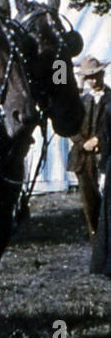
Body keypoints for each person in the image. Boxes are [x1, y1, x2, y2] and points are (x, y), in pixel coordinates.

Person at [70, 56, 108, 236]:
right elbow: (70, 126)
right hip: (83, 159)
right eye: (88, 77)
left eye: (95, 76)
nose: (92, 81)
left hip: (105, 157)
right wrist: (82, 141)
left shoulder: (110, 99)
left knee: (106, 202)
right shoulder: (80, 101)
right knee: (90, 203)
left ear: (102, 74)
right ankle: (96, 239)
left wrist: (99, 139)